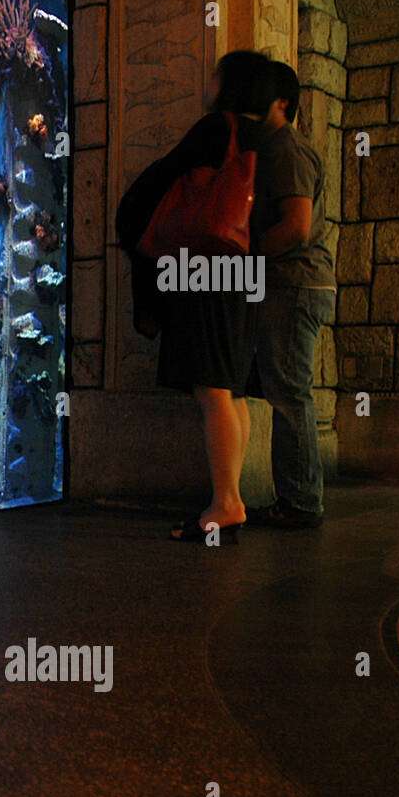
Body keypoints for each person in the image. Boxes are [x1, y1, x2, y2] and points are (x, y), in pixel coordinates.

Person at [115, 51, 277, 543]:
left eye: (215, 76)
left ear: (230, 86)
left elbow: (166, 178)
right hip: (244, 270)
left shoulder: (218, 129)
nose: (208, 84)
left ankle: (226, 502)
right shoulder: (266, 139)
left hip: (208, 268)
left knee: (212, 388)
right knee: (233, 387)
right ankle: (232, 498)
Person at [246, 62, 336, 528]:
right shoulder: (279, 149)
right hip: (293, 283)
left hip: (293, 283)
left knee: (289, 394)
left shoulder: (287, 150)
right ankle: (297, 498)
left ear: (282, 101)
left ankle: (299, 502)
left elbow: (296, 227)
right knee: (287, 390)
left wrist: (248, 255)